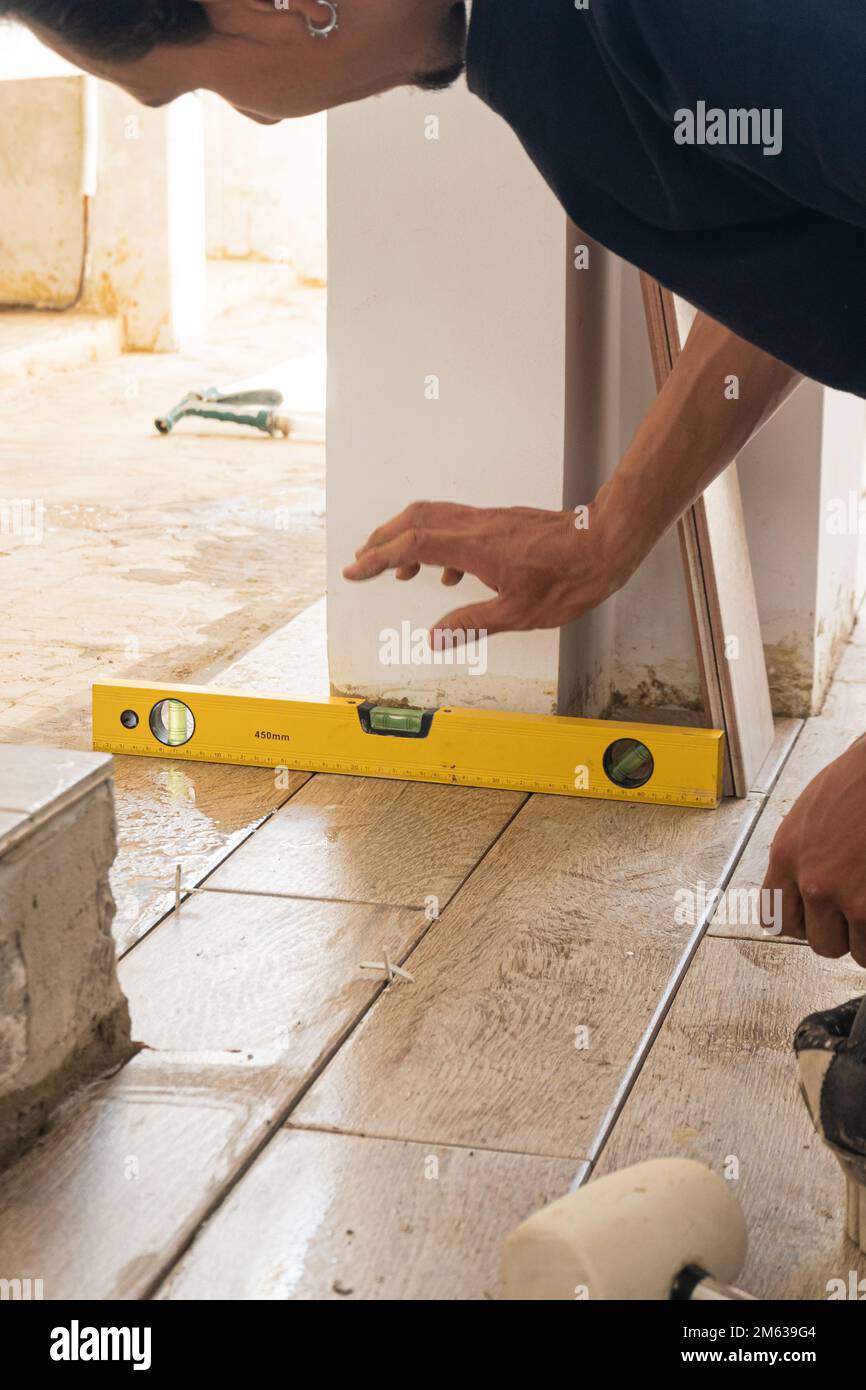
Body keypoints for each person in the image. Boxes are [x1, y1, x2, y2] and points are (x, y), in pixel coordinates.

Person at [5, 0, 865, 965]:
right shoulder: (549, 39)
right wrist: (610, 529)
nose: (253, 119)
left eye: (192, 84)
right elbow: (812, 237)